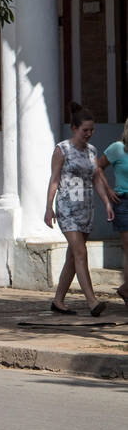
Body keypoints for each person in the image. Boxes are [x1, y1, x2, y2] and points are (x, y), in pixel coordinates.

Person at [45, 102, 115, 315]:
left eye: (92, 130)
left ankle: (58, 300)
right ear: (74, 128)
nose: (89, 134)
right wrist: (49, 207)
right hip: (67, 207)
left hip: (86, 207)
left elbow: (96, 179)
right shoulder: (62, 149)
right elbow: (54, 179)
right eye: (85, 130)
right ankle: (92, 301)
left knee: (73, 257)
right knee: (81, 252)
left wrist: (106, 202)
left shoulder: (92, 151)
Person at [97, 118, 128, 307]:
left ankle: (125, 289)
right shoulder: (117, 148)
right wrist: (108, 189)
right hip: (123, 203)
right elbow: (99, 166)